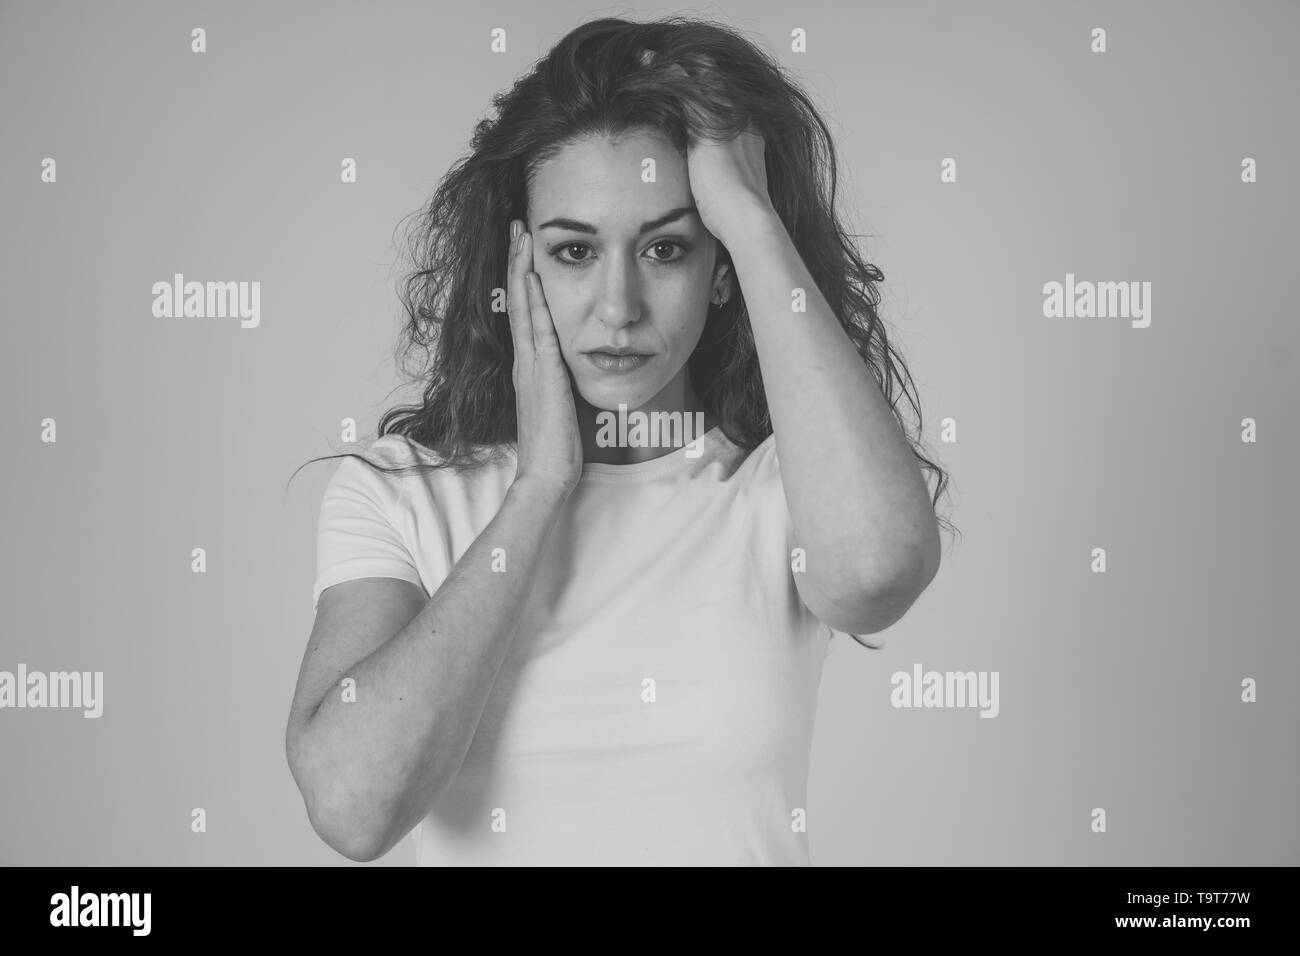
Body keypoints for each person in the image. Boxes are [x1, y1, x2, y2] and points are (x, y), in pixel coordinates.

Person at [285, 14, 954, 866]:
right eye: (573, 252)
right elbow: (352, 807)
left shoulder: (779, 485)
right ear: (518, 264)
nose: (618, 307)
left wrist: (748, 215)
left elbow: (877, 574)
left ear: (720, 274)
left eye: (667, 248)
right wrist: (539, 488)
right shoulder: (401, 494)